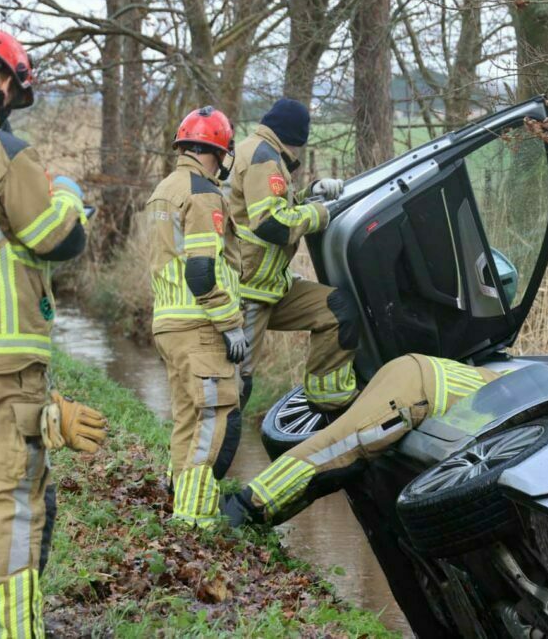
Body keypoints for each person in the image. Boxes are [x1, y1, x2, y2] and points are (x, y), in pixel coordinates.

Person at [0, 22, 93, 637]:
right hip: (3, 371)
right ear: (1, 80)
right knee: (9, 509)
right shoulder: (2, 152)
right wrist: (68, 195)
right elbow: (56, 238)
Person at [222, 354, 501, 526]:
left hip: (410, 369)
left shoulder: (517, 373)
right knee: (333, 451)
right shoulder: (537, 396)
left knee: (340, 468)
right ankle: (241, 507)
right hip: (415, 393)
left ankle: (258, 519)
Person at [228, 98, 359, 413]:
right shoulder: (263, 158)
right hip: (250, 289)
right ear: (295, 137)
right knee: (236, 384)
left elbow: (270, 207)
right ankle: (215, 458)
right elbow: (270, 224)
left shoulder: (258, 149)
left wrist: (312, 193)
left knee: (336, 309)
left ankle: (329, 402)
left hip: (271, 285)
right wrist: (319, 215)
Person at [147, 106, 245, 528]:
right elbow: (202, 271)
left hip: (168, 325)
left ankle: (177, 505)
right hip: (201, 326)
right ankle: (192, 522)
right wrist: (231, 323)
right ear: (219, 151)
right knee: (212, 423)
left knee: (187, 419)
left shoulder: (164, 189)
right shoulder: (203, 193)